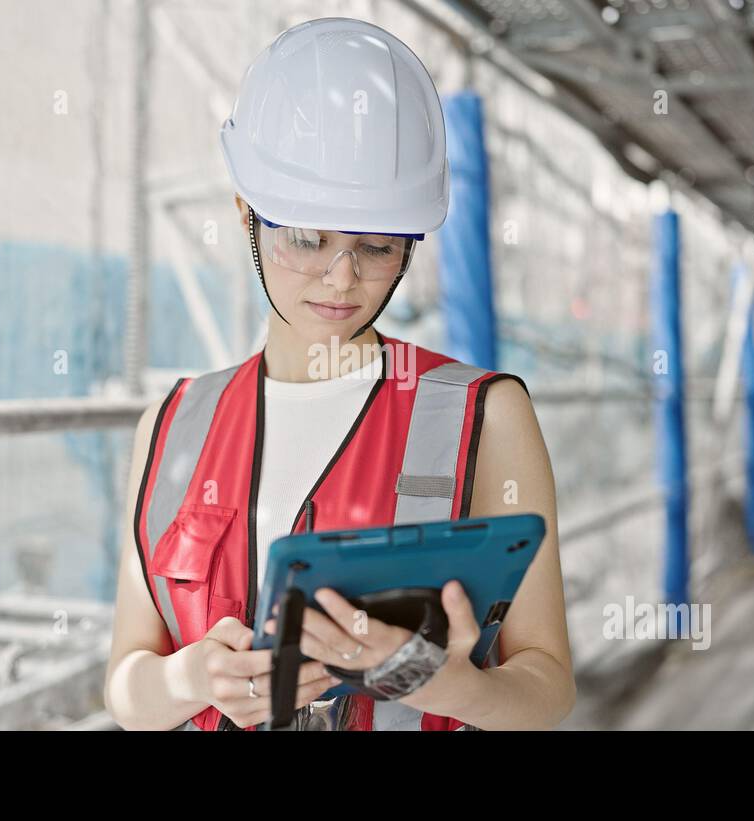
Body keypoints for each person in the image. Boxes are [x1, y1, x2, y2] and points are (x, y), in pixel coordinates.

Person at [104, 16, 574, 731]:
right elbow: (127, 683)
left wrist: (444, 684)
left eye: (378, 246)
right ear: (246, 217)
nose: (341, 276)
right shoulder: (172, 426)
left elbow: (546, 687)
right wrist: (192, 674)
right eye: (306, 238)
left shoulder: (485, 415)